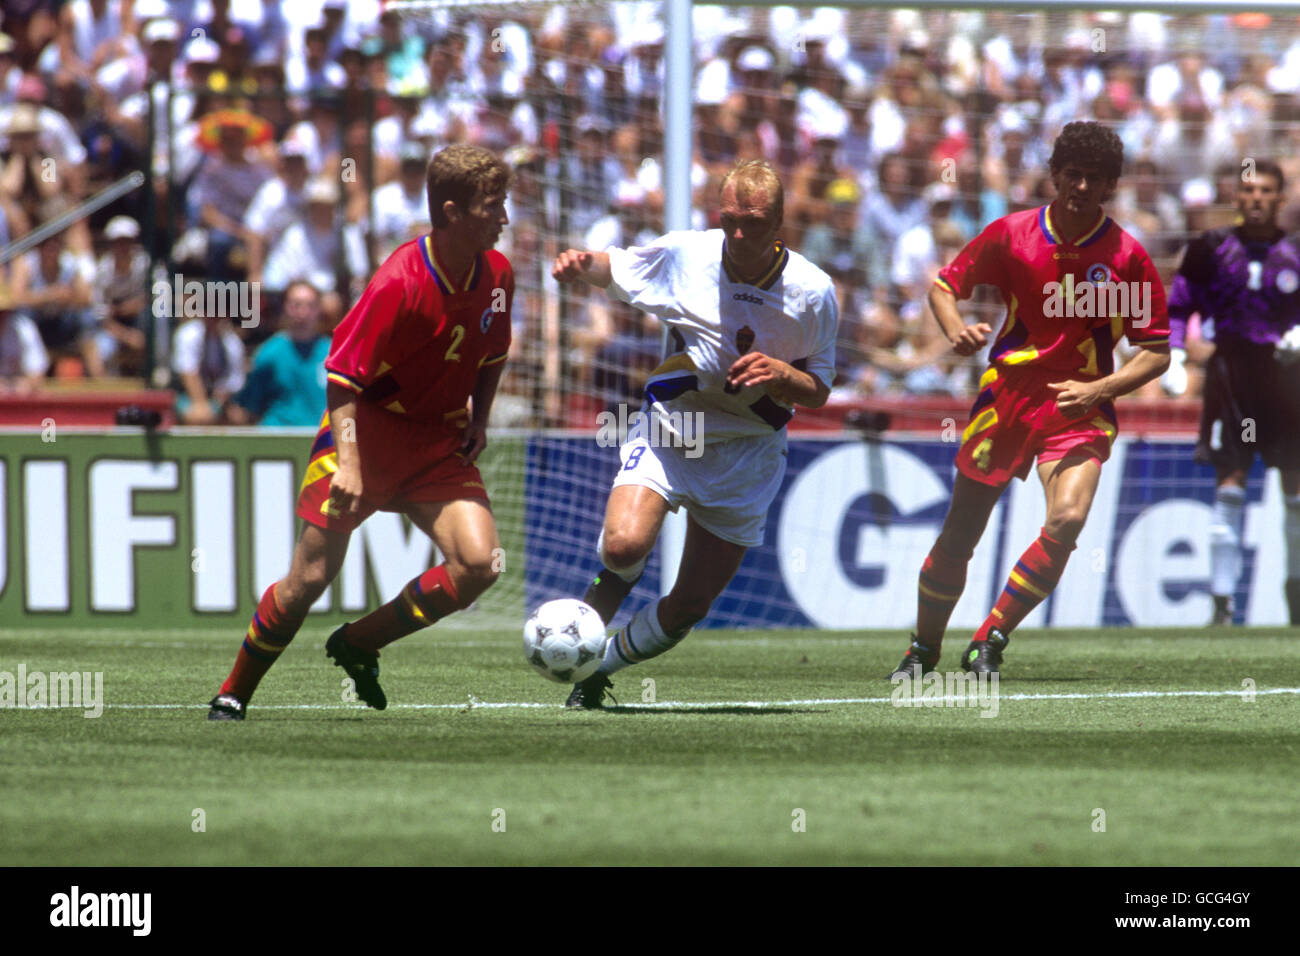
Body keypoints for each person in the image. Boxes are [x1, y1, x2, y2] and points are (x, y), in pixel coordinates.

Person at [207, 144, 514, 720]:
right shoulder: (399, 281)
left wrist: (481, 418)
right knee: (311, 577)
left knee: (480, 564)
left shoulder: (498, 274)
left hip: (438, 442)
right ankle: (234, 692)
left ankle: (358, 642)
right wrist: (349, 465)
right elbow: (342, 378)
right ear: (452, 211)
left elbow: (493, 351)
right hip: (365, 435)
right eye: (493, 206)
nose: (504, 218)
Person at [551, 159, 839, 708]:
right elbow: (617, 268)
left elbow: (819, 389)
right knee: (623, 544)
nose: (735, 233)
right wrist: (582, 263)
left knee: (688, 606)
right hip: (672, 430)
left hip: (747, 453)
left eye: (751, 223)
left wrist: (782, 375)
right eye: (728, 218)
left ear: (779, 222)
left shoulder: (814, 292)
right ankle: (591, 619)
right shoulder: (689, 253)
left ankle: (599, 666)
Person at [888, 121, 1171, 679]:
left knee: (1067, 518)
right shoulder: (1011, 235)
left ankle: (990, 637)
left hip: (1079, 408)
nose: (1082, 187)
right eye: (1073, 175)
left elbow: (1156, 351)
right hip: (1008, 401)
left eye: (1095, 178)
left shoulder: (1127, 257)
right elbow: (944, 286)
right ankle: (922, 649)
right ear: (1054, 176)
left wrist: (1101, 388)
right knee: (959, 537)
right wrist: (954, 330)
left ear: (1111, 185)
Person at [1162, 159, 1300, 626]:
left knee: (1296, 490)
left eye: (1265, 190)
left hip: (1288, 385)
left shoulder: (1297, 250)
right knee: (1231, 482)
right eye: (1248, 190)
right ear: (1235, 198)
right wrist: (1176, 356)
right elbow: (1179, 306)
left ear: (1280, 198)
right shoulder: (1210, 248)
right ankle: (1222, 605)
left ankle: (1296, 599)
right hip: (1232, 377)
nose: (1256, 198)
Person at [228, 279, 330, 427]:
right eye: (296, 305)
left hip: (321, 441)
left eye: (310, 305)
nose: (303, 313)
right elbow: (250, 408)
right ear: (285, 307)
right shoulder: (268, 353)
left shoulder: (333, 352)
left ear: (319, 309)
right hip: (279, 439)